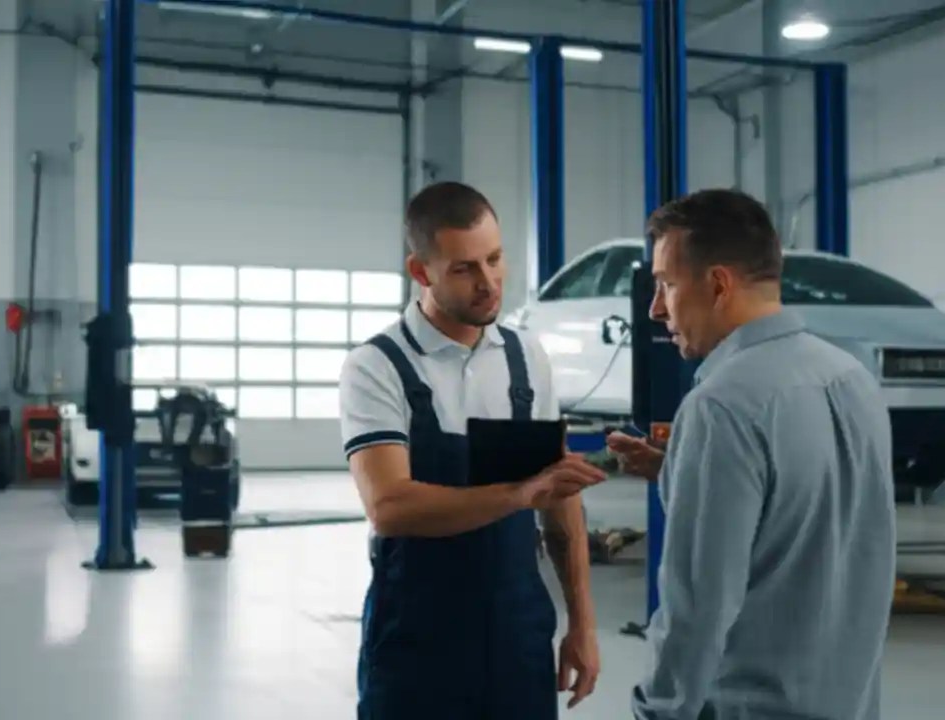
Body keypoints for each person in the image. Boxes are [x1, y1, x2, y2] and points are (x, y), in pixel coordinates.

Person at [608, 189, 897, 720]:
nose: (655, 309)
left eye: (666, 285)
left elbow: (697, 607)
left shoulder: (720, 406)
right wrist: (678, 470)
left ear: (718, 284)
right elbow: (811, 523)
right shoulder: (852, 378)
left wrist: (659, 711)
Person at [339, 181, 606, 719]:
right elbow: (390, 507)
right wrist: (517, 493)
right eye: (464, 269)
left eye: (495, 259)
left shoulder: (527, 359)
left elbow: (559, 501)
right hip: (416, 645)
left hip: (518, 639)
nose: (488, 283)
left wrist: (582, 624)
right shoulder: (378, 366)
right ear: (422, 272)